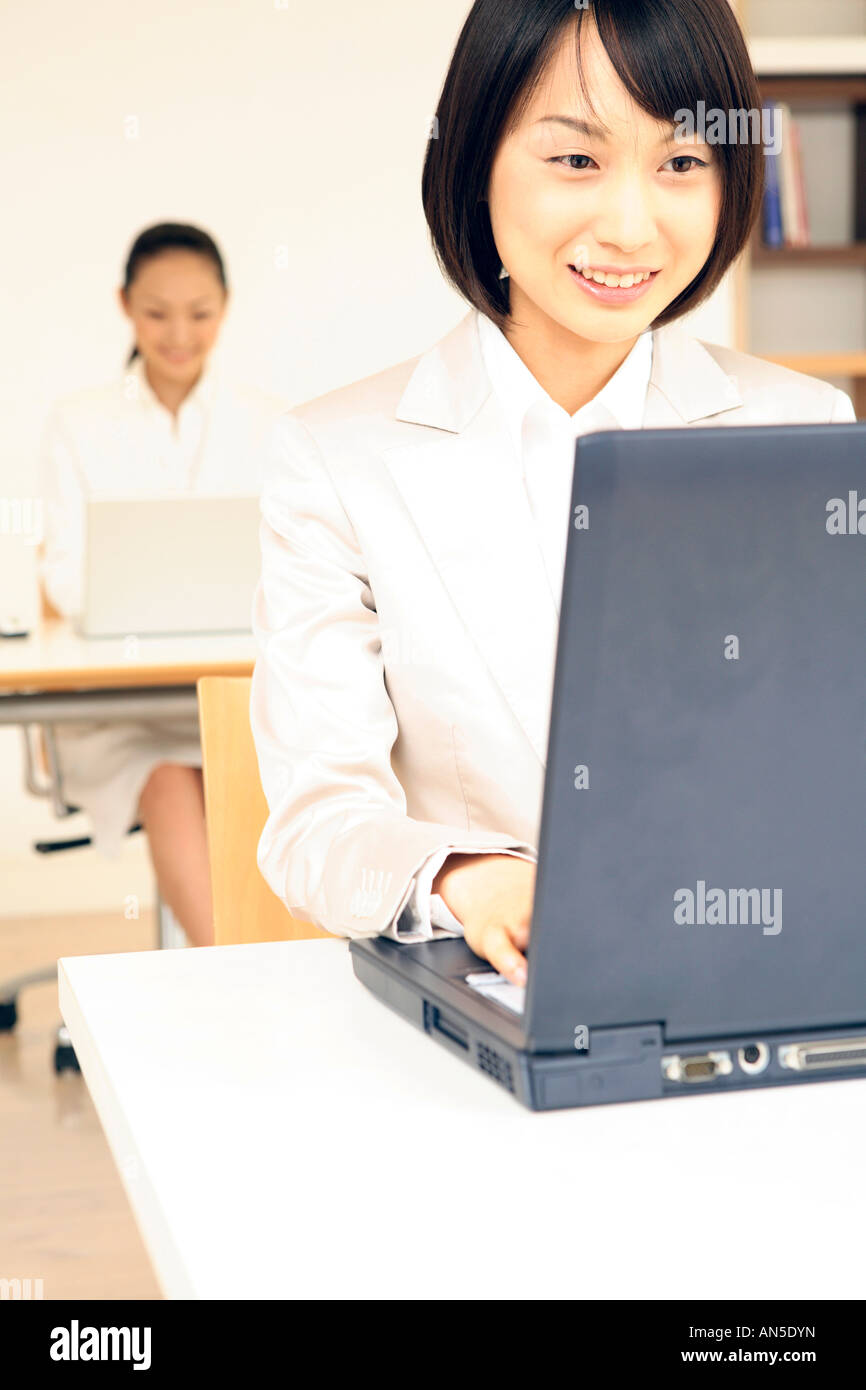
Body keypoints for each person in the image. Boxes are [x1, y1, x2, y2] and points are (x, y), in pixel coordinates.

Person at [250, 0, 855, 983]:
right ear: (475, 160)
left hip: (751, 981)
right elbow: (318, 822)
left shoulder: (804, 431)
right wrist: (468, 877)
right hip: (489, 986)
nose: (628, 223)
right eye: (574, 160)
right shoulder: (336, 457)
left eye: (681, 162)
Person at [40, 222, 288, 946]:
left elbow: (294, 559)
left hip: (238, 689)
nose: (179, 333)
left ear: (226, 307)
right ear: (124, 305)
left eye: (200, 313)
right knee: (168, 770)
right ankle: (237, 970)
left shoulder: (268, 422)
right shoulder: (79, 424)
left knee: (252, 759)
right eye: (156, 312)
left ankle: (254, 970)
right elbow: (61, 567)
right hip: (123, 704)